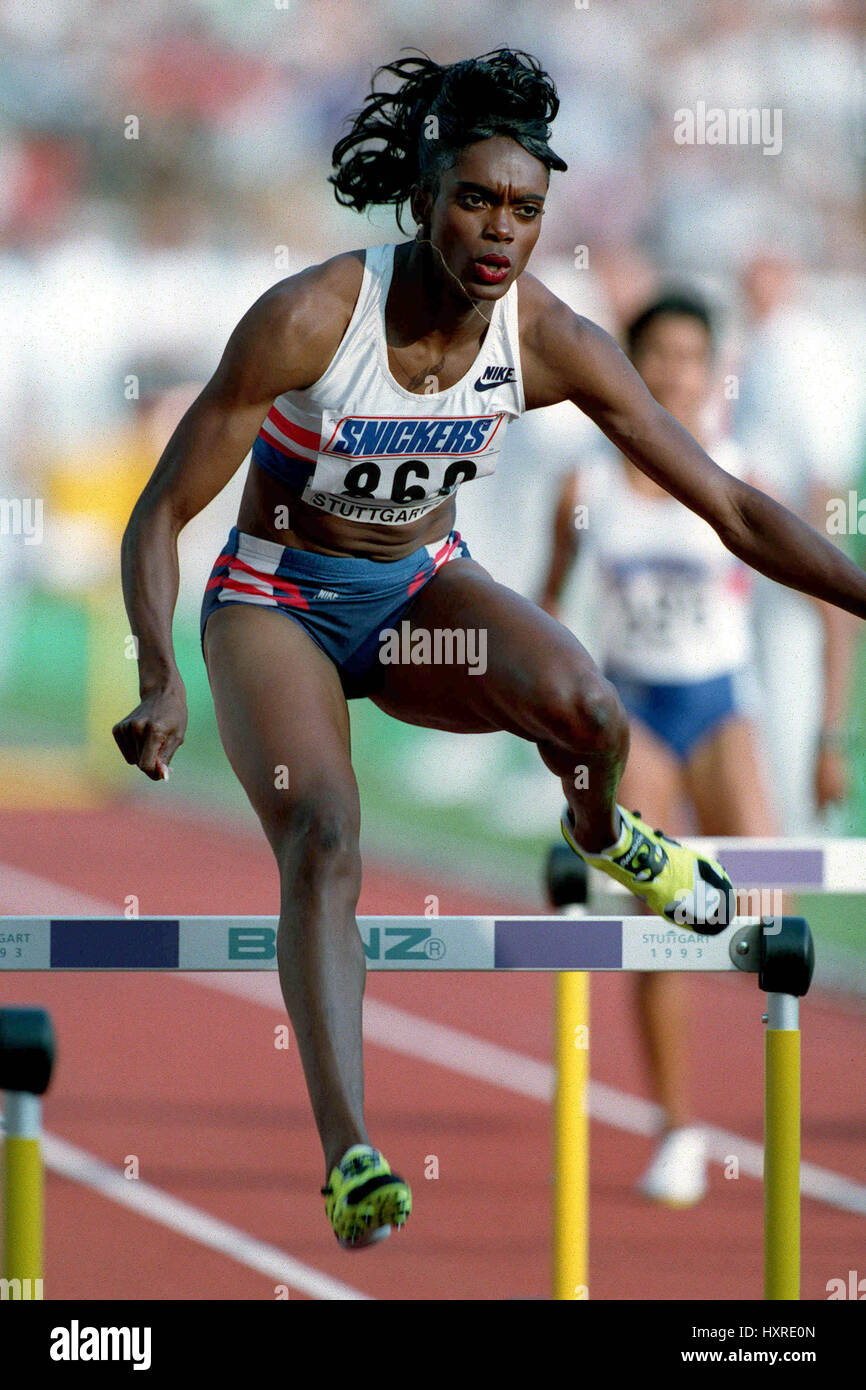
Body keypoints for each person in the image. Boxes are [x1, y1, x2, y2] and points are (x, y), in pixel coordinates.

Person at [112, 50, 866, 1250]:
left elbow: (728, 505)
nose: (499, 231)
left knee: (589, 707)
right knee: (324, 833)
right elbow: (160, 510)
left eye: (523, 209)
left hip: (418, 594)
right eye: (476, 200)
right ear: (422, 195)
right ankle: (351, 1150)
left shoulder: (547, 337)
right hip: (276, 599)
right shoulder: (312, 315)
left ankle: (603, 827)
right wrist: (159, 670)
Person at [539, 291, 778, 1205]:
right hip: (635, 710)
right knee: (660, 918)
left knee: (767, 904)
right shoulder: (588, 489)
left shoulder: (739, 468)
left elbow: (825, 598)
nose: (677, 372)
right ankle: (677, 1126)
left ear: (715, 369)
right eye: (660, 356)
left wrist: (832, 729)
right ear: (632, 369)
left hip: (723, 706)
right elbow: (545, 606)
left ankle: (784, 1103)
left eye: (694, 355)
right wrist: (555, 725)